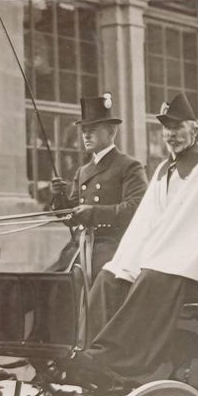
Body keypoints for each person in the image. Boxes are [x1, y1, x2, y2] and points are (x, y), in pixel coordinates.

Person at [68, 93, 198, 384]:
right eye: (166, 128)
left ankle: (118, 358)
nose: (171, 134)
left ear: (195, 129)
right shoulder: (164, 170)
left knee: (152, 278)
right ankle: (92, 354)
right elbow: (145, 220)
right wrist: (127, 260)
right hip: (167, 254)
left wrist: (160, 256)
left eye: (177, 127)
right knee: (109, 277)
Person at [46, 93, 146, 283]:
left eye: (92, 129)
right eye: (84, 130)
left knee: (91, 281)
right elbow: (71, 217)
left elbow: (136, 209)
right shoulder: (83, 171)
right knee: (47, 281)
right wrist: (59, 198)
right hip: (79, 243)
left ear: (111, 131)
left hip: (112, 244)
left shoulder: (129, 166)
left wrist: (94, 212)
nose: (86, 135)